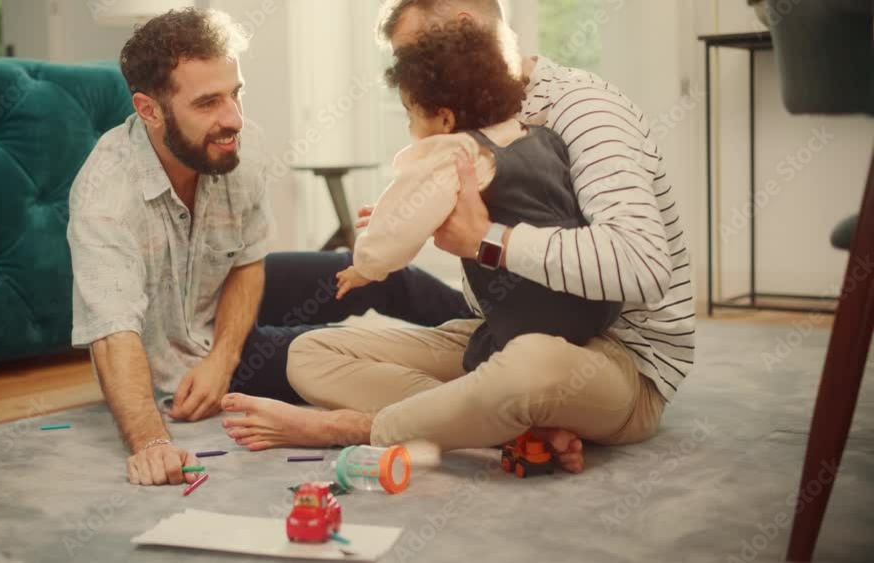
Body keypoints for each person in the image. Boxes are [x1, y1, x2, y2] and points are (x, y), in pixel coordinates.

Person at [220, 0, 695, 475]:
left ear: (463, 30)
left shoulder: (584, 109)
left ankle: (355, 428)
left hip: (616, 355)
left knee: (528, 368)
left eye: (416, 58)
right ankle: (495, 422)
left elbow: (644, 265)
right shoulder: (479, 125)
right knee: (309, 354)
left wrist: (488, 240)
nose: (414, 79)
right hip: (505, 331)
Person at [67, 8, 470, 487]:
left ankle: (499, 334)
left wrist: (223, 357)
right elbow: (112, 333)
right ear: (149, 110)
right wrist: (152, 442)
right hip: (181, 362)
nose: (233, 119)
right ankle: (485, 395)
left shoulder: (239, 147)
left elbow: (246, 261)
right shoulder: (105, 195)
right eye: (207, 103)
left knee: (377, 273)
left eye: (235, 94)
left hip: (223, 302)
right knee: (338, 356)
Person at [334, 20, 622, 372]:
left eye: (411, 114)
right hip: (597, 303)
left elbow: (400, 228)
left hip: (534, 309)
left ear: (445, 119)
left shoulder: (458, 153)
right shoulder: (539, 136)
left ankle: (505, 394)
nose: (409, 126)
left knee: (481, 359)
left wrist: (367, 266)